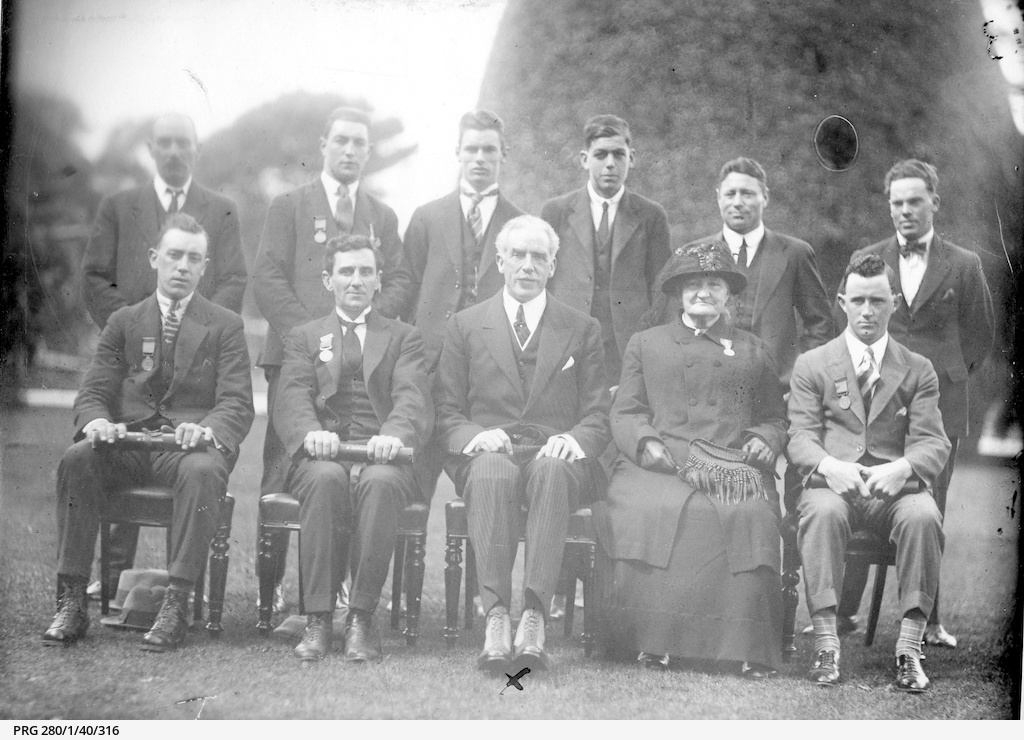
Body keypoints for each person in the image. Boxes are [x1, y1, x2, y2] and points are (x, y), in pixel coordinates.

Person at [43, 213, 254, 652]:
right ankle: (72, 600)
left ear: (205, 267)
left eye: (193, 259)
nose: (182, 266)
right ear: (155, 258)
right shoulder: (124, 321)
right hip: (129, 446)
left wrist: (206, 429)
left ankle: (176, 603)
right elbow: (94, 391)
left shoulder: (225, 325)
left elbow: (236, 402)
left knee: (203, 470)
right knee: (78, 458)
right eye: (174, 255)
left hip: (185, 449)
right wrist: (97, 421)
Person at [593, 242, 788, 677]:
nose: (703, 292)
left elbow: (775, 416)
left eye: (714, 284)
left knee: (749, 514)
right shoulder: (646, 343)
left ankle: (746, 648)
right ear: (678, 293)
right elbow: (626, 411)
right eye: (693, 284)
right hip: (661, 464)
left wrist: (765, 438)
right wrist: (645, 442)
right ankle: (652, 642)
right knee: (653, 510)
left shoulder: (754, 349)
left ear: (728, 293)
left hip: (731, 464)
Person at [80, 113, 248, 597]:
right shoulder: (120, 206)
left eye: (183, 143)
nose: (174, 151)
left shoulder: (221, 209)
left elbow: (234, 278)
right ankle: (112, 573)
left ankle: (181, 583)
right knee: (117, 437)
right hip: (136, 351)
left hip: (200, 350)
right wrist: (136, 325)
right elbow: (95, 276)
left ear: (197, 149)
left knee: (193, 461)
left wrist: (199, 328)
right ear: (151, 148)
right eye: (165, 143)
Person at [434, 215, 611, 673]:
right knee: (492, 468)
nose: (527, 265)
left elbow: (598, 413)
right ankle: (496, 616)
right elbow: (446, 410)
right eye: (518, 255)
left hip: (555, 454)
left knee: (552, 471)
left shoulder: (582, 327)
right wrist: (474, 436)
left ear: (553, 265)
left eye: (539, 257)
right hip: (489, 453)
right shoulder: (466, 325)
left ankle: (534, 617)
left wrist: (574, 439)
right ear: (500, 261)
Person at [834, 159, 994, 648]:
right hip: (874, 408)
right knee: (859, 494)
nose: (905, 211)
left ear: (934, 203)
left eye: (914, 202)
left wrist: (944, 376)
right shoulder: (868, 258)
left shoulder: (964, 264)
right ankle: (843, 612)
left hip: (939, 410)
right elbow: (847, 325)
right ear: (889, 206)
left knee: (930, 511)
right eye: (897, 203)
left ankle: (928, 621)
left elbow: (981, 336)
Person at [254, 107, 405, 609]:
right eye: (341, 140)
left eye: (359, 143)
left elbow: (399, 279)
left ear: (368, 151)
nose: (349, 150)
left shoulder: (382, 216)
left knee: (344, 468)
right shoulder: (289, 205)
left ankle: (338, 585)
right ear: (323, 145)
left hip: (358, 362)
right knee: (284, 465)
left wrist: (363, 330)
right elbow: (268, 277)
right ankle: (271, 583)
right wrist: (315, 338)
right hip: (296, 358)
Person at [789, 253, 950, 692]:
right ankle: (826, 645)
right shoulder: (813, 364)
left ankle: (909, 649)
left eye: (877, 301)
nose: (867, 311)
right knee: (822, 513)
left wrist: (904, 467)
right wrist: (829, 465)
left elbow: (934, 441)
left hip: (894, 492)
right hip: (832, 488)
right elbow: (799, 436)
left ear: (894, 302)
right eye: (858, 300)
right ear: (842, 302)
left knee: (923, 516)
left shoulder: (918, 368)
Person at [273, 235, 431, 662]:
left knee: (380, 483)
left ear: (379, 280)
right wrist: (311, 433)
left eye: (365, 271)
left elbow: (412, 397)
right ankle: (319, 618)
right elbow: (292, 396)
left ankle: (361, 616)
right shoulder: (304, 336)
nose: (356, 280)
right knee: (325, 478)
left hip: (382, 453)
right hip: (323, 453)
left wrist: (393, 435)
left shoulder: (404, 337)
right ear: (329, 280)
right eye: (346, 271)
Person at [392, 110, 524, 502]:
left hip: (487, 377)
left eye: (489, 150)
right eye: (472, 149)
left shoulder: (519, 224)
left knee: (487, 480)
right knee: (411, 484)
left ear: (504, 154)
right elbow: (407, 289)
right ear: (458, 153)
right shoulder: (427, 217)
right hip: (429, 371)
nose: (480, 158)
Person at [540, 114, 671, 384]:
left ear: (631, 158)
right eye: (600, 154)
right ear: (584, 159)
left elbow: (662, 289)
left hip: (627, 347)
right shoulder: (556, 211)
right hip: (567, 342)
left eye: (618, 154)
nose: (610, 163)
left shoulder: (651, 215)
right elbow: (542, 281)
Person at [681, 157, 833, 390]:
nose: (737, 202)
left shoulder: (795, 253)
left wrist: (801, 379)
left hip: (778, 391)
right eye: (730, 194)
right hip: (709, 389)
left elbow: (821, 324)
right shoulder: (695, 253)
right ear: (718, 198)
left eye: (747, 194)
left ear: (765, 197)